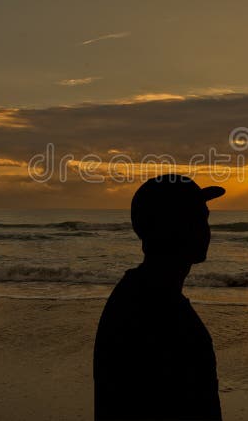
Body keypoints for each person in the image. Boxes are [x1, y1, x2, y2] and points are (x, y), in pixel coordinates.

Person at [93, 174, 226, 420]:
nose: (206, 231)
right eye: (197, 220)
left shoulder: (137, 296)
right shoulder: (158, 312)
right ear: (172, 228)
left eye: (204, 219)